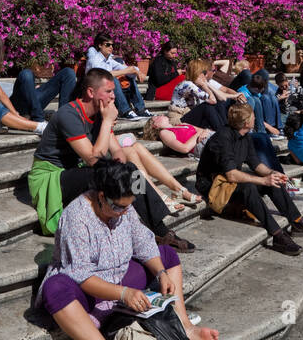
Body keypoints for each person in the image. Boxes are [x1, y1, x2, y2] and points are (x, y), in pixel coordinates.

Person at [35, 158, 218, 340]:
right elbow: (81, 275)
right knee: (56, 288)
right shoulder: (76, 217)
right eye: (119, 207)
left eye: (127, 207)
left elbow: (143, 242)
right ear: (102, 196)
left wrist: (161, 272)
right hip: (89, 292)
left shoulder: (124, 208)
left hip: (118, 276)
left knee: (167, 255)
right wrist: (124, 294)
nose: (123, 212)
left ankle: (185, 327)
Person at [28, 68, 194, 250]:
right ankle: (144, 228)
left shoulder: (100, 115)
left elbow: (118, 152)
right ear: (91, 92)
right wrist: (107, 122)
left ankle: (158, 228)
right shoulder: (69, 114)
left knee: (130, 169)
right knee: (103, 174)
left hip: (78, 170)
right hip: (50, 176)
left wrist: (122, 172)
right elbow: (93, 159)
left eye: (113, 91)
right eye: (108, 91)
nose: (113, 96)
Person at [196, 102, 303, 256]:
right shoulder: (223, 137)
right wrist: (263, 180)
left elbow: (256, 164)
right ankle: (277, 235)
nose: (256, 118)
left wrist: (272, 173)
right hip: (213, 185)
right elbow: (231, 174)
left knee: (273, 182)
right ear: (247, 122)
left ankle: (297, 222)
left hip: (228, 181)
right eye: (254, 116)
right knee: (249, 187)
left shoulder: (245, 136)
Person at [86, 34, 152, 120]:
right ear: (100, 45)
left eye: (112, 45)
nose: (111, 47)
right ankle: (124, 111)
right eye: (107, 45)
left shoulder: (109, 60)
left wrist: (136, 71)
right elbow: (104, 74)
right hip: (95, 88)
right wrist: (129, 70)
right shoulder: (94, 60)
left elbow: (123, 68)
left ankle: (140, 109)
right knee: (112, 78)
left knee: (129, 78)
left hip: (107, 88)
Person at [11, 60, 78, 123]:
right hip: (19, 106)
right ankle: (39, 119)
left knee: (69, 72)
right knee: (26, 73)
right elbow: (2, 97)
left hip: (34, 100)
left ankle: (64, 120)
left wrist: (31, 89)